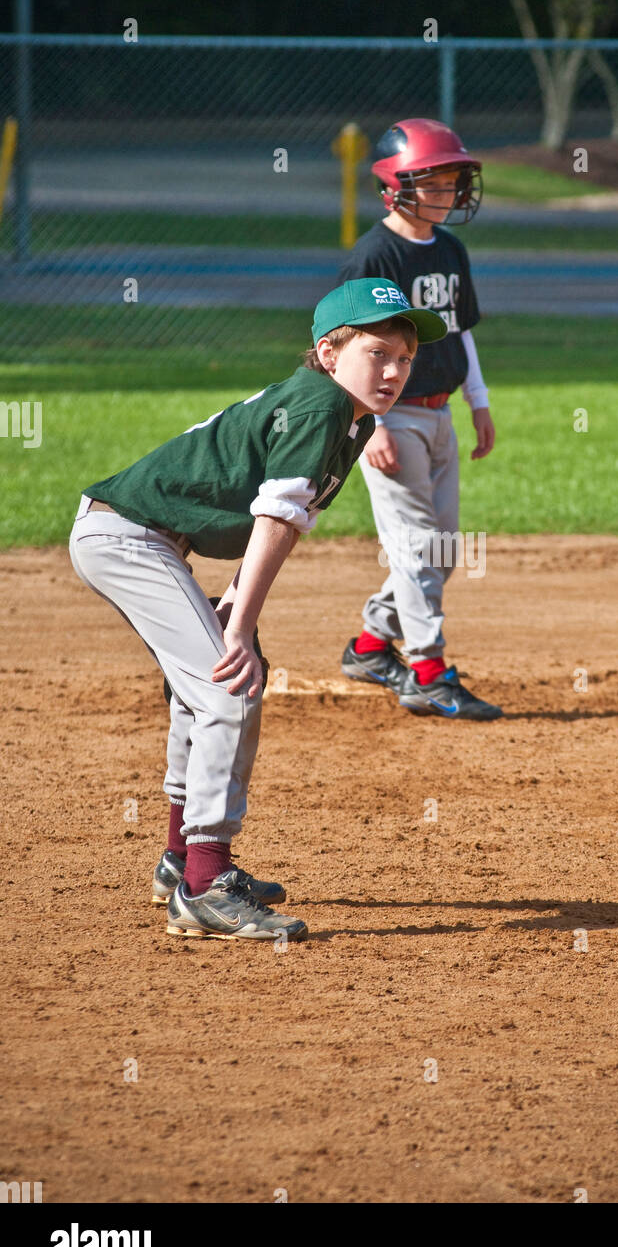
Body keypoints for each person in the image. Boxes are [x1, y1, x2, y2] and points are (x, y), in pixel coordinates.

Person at [68, 279, 446, 942]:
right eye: (377, 352)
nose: (392, 371)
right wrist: (237, 631)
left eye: (405, 359)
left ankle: (182, 861)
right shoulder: (323, 404)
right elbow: (274, 511)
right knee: (228, 688)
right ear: (329, 353)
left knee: (211, 686)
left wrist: (240, 597)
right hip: (126, 540)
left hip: (142, 539)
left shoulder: (352, 418)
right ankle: (204, 886)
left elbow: (285, 518)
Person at [336, 118, 502, 720]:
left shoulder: (451, 250)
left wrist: (477, 399)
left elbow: (459, 333)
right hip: (393, 416)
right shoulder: (376, 255)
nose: (450, 192)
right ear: (395, 186)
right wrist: (368, 425)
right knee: (415, 547)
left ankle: (372, 645)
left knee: (441, 549)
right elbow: (349, 351)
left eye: (455, 180)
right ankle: (429, 672)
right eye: (435, 181)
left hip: (440, 415)